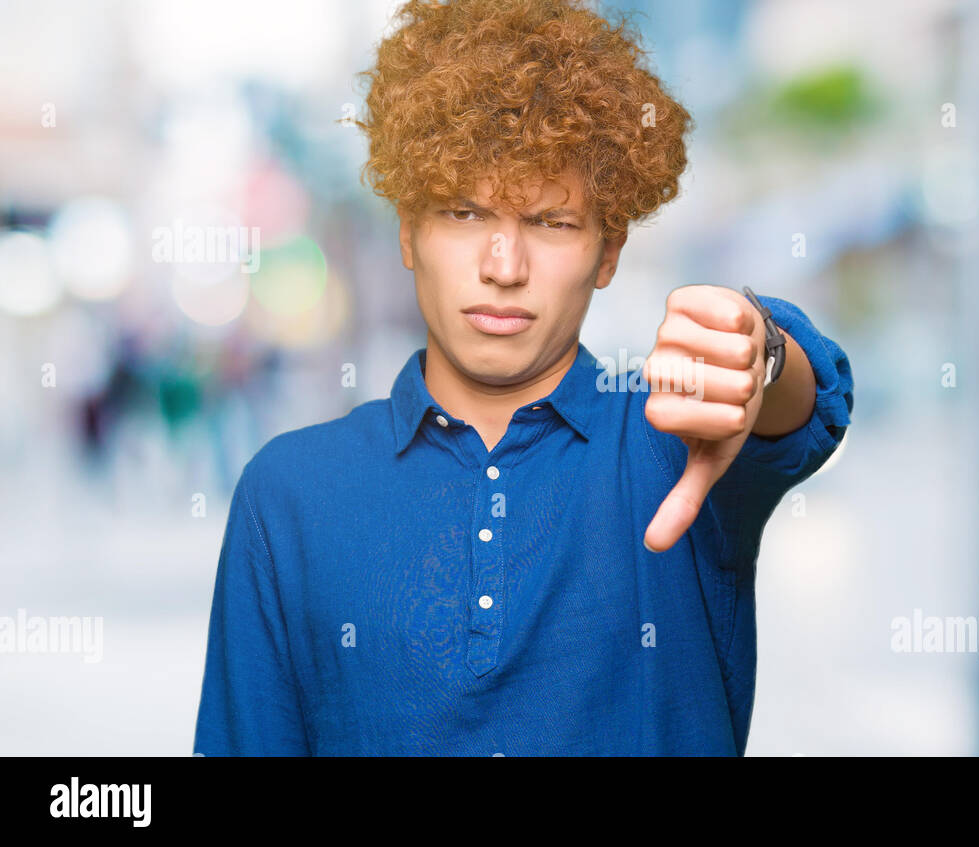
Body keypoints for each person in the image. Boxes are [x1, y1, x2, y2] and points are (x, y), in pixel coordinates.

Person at [193, 0, 853, 756]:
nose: (503, 266)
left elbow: (806, 407)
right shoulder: (288, 493)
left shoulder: (679, 443)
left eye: (551, 222)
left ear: (609, 252)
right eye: (464, 212)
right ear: (408, 231)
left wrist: (759, 349)